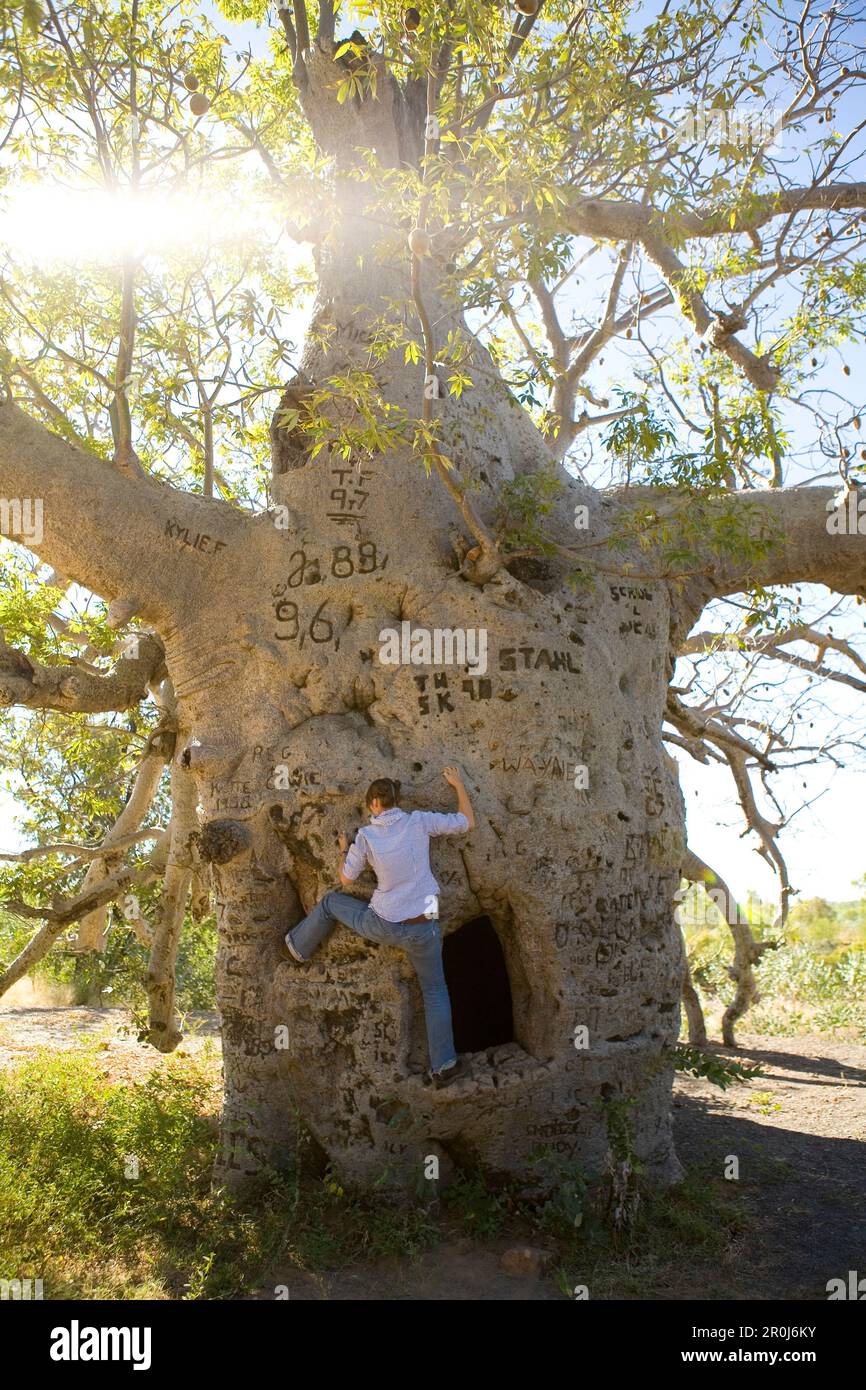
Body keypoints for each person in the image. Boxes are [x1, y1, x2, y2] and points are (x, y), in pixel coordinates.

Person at [282, 766, 474, 1088]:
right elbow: (468, 822)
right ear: (396, 800)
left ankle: (297, 948)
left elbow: (346, 880)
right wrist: (459, 785)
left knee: (330, 904)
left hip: (383, 924)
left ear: (373, 804)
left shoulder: (366, 837)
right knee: (435, 990)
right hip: (422, 926)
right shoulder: (419, 822)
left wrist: (345, 848)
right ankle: (444, 1067)